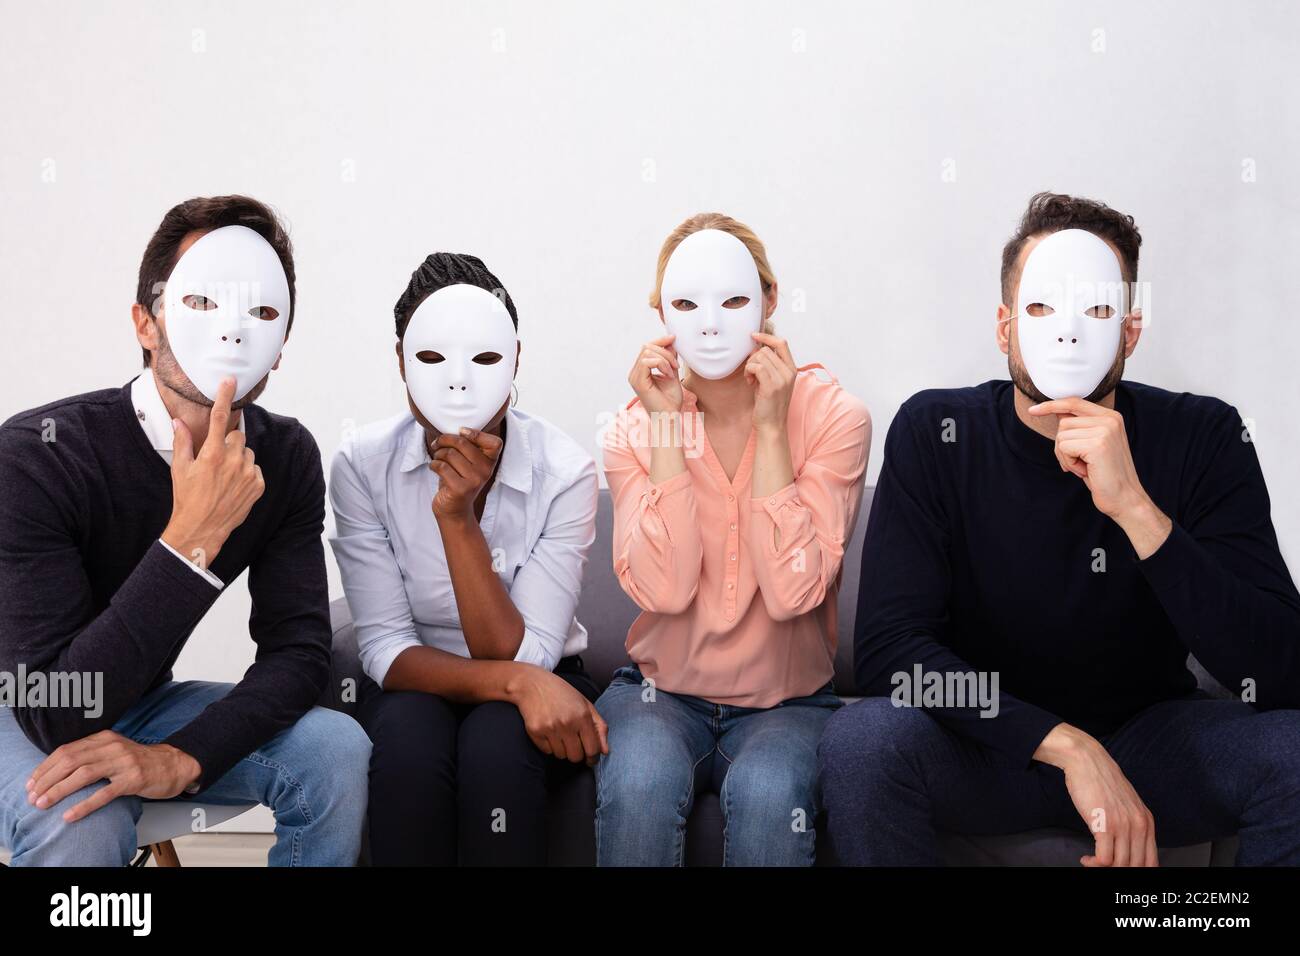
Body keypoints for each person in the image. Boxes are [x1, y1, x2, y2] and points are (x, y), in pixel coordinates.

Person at [819, 192, 1300, 867]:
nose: (1066, 334)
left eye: (1096, 311)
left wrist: (1135, 506)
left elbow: (1282, 670)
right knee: (861, 743)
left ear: (1130, 333)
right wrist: (1066, 745)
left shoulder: (1205, 435)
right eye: (1041, 308)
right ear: (1004, 327)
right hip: (985, 746)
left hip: (1152, 741)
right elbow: (892, 654)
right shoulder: (935, 432)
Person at [0, 195, 370, 866]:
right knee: (86, 819)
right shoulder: (37, 454)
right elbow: (55, 707)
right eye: (202, 303)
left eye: (260, 311)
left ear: (281, 346)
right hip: (19, 705)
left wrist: (183, 758)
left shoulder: (283, 457)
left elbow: (298, 652)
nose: (231, 330)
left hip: (139, 700)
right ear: (147, 323)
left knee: (335, 750)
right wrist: (190, 540)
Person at [595, 213, 871, 866]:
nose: (711, 323)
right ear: (662, 311)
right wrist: (667, 430)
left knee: (773, 798)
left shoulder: (836, 418)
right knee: (637, 787)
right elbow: (663, 589)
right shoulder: (632, 430)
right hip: (658, 696)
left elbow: (793, 594)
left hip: (790, 705)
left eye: (734, 300)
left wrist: (772, 431)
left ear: (769, 300)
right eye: (686, 303)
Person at [330, 252, 604, 866]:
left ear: (514, 360)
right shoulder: (361, 464)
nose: (459, 382)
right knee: (405, 745)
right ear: (401, 361)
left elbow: (526, 655)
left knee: (497, 746)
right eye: (431, 357)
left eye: (483, 357)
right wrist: (514, 682)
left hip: (541, 675)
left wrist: (457, 517)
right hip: (419, 680)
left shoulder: (565, 471)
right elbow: (384, 648)